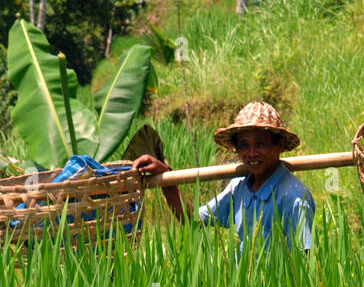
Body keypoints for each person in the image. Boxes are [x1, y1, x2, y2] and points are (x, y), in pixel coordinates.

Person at [133, 101, 315, 255]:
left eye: (260, 144)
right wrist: (167, 180)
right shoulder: (239, 187)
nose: (251, 153)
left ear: (279, 145)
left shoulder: (293, 197)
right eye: (244, 145)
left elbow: (303, 264)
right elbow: (193, 220)